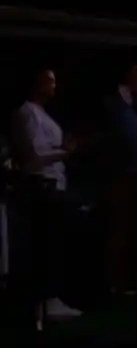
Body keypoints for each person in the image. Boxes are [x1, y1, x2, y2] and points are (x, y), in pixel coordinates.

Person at [10, 68, 81, 319]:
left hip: (54, 185)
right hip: (42, 186)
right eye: (50, 81)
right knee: (45, 245)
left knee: (53, 244)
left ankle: (50, 297)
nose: (54, 86)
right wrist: (65, 152)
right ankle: (43, 300)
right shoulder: (27, 113)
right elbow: (34, 156)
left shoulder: (42, 114)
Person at [102, 63, 137, 294]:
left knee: (134, 230)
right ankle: (113, 282)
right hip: (120, 176)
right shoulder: (113, 105)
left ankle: (130, 280)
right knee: (118, 230)